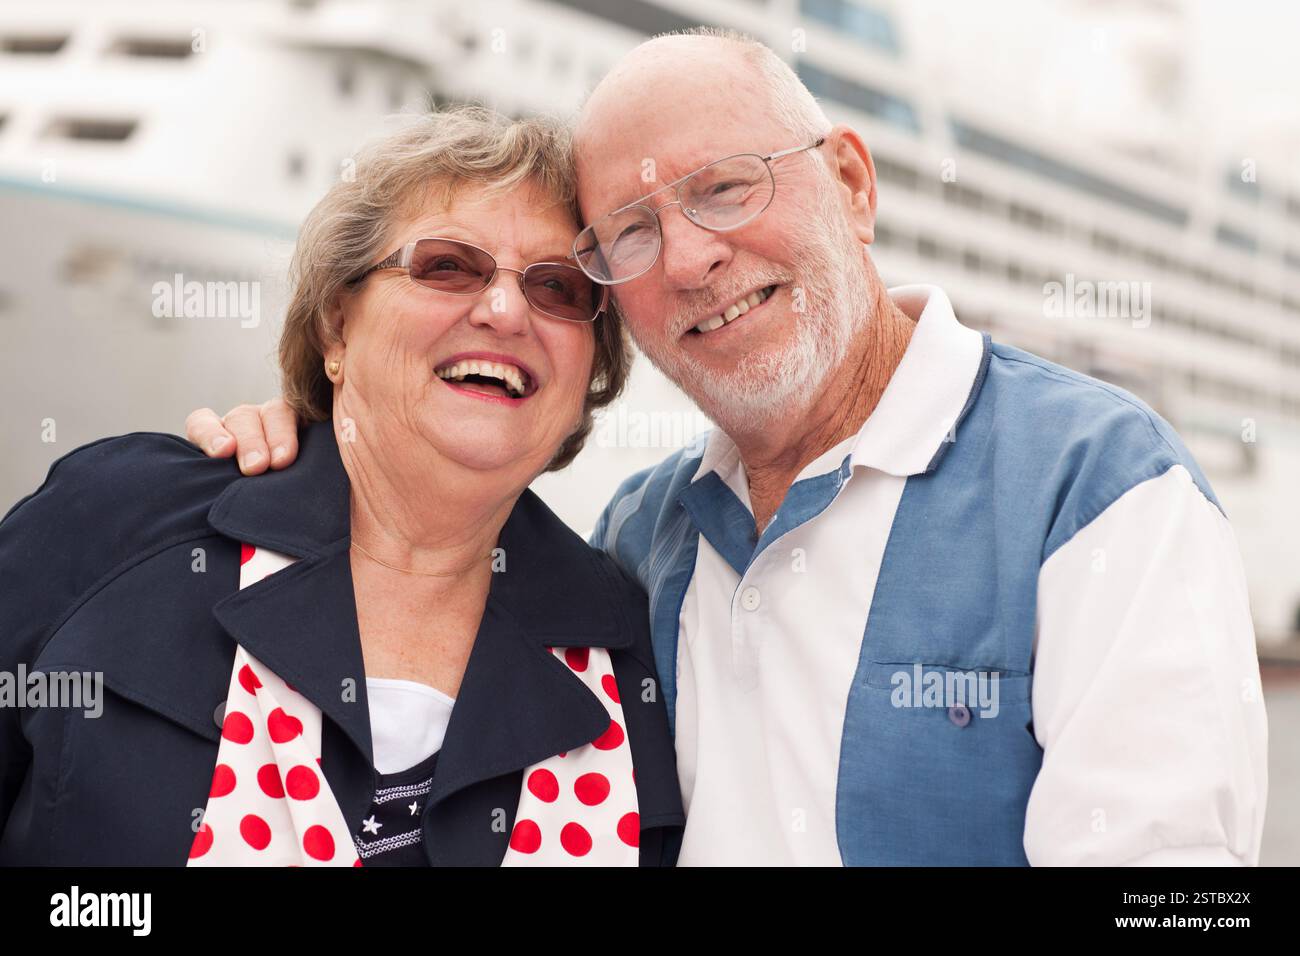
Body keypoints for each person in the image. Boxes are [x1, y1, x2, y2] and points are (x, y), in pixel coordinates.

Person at [185, 30, 1268, 865]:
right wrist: (314, 458)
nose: (694, 259)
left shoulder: (1097, 488)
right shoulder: (634, 541)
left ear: (850, 183)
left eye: (724, 186)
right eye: (632, 235)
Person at [0, 107, 683, 866]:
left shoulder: (638, 652)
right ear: (336, 325)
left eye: (556, 287)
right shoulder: (118, 526)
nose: (505, 310)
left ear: (592, 366)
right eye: (447, 265)